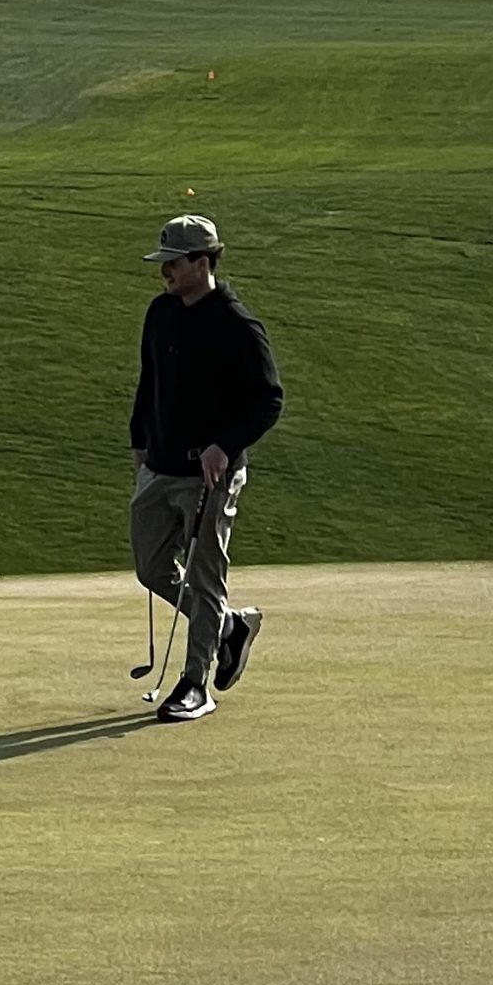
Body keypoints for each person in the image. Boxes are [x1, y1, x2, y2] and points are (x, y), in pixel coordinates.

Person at [129, 214, 283, 723]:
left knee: (205, 570)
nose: (165, 273)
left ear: (203, 262)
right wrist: (138, 442)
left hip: (209, 474)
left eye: (173, 264)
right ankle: (227, 628)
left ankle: (196, 683)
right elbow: (148, 383)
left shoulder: (236, 324)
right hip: (160, 466)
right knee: (151, 568)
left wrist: (224, 445)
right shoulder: (160, 313)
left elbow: (267, 400)